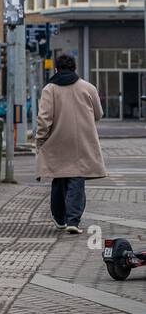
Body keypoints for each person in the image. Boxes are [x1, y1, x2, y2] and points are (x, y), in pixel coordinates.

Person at [35, 53, 106, 235]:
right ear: (75, 69)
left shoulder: (49, 89)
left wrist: (40, 140)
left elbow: (44, 119)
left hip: (57, 141)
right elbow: (98, 114)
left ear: (56, 69)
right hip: (82, 141)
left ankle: (59, 218)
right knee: (77, 178)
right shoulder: (88, 88)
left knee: (59, 178)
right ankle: (73, 220)